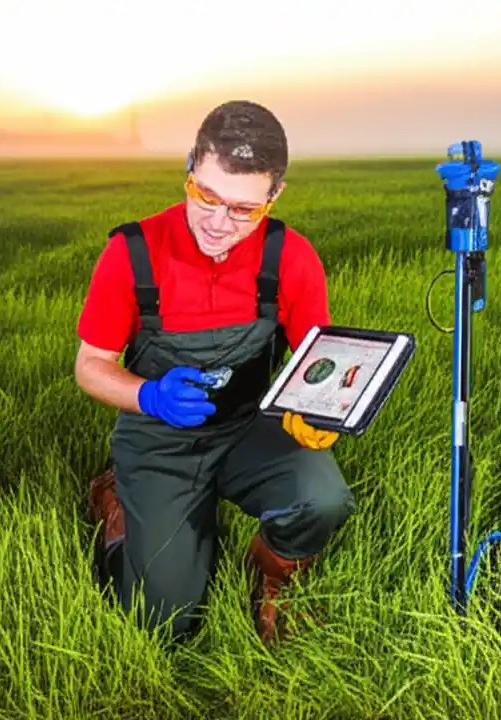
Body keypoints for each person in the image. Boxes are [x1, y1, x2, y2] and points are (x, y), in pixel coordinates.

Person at [73, 100, 355, 643]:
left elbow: (313, 362)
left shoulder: (292, 257)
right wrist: (151, 396)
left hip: (248, 426)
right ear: (190, 168)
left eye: (244, 210)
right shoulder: (132, 251)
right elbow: (90, 367)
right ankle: (119, 507)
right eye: (207, 196)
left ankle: (275, 577)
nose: (219, 224)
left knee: (323, 498)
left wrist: (318, 413)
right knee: (163, 625)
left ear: (274, 196)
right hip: (159, 437)